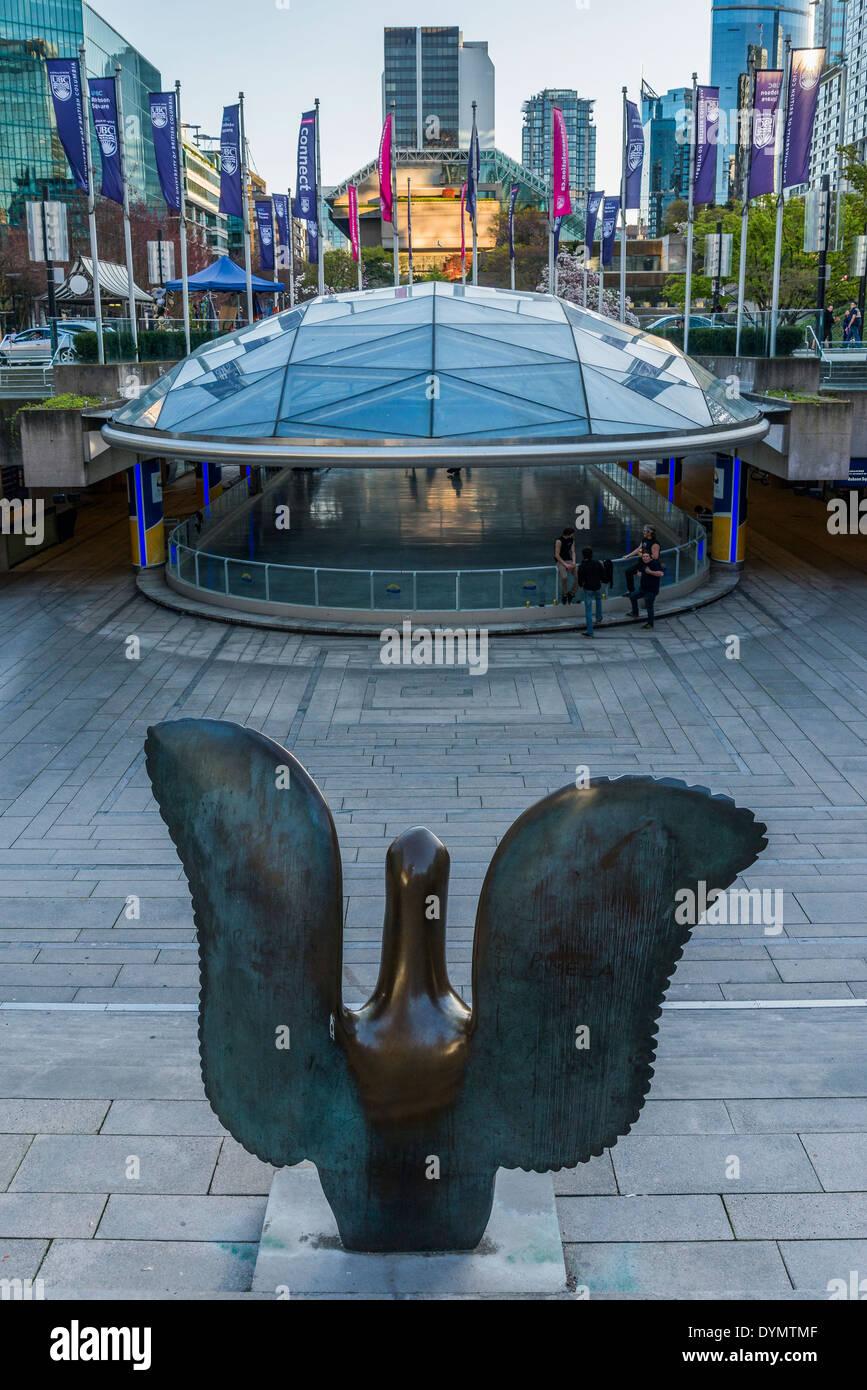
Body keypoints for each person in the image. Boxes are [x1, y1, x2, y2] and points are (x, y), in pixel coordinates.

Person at [629, 549, 666, 629]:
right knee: (632, 596)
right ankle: (635, 612)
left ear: (650, 557)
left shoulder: (655, 564)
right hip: (643, 589)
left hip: (651, 590)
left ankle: (650, 624)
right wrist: (641, 574)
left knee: (649, 606)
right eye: (644, 557)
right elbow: (644, 573)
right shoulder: (643, 564)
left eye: (647, 556)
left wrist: (650, 572)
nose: (645, 558)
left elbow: (661, 574)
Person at [621, 525, 660, 596]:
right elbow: (639, 549)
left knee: (645, 579)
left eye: (645, 531)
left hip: (649, 564)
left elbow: (656, 557)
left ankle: (647, 595)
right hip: (641, 563)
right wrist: (628, 555)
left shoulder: (655, 544)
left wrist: (643, 555)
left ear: (649, 533)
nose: (643, 532)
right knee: (628, 572)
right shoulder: (644, 539)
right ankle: (631, 591)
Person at [577, 546, 605, 637]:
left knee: (588, 610)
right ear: (592, 555)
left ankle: (590, 631)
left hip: (588, 588)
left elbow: (580, 578)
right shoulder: (597, 563)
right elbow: (602, 573)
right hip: (597, 586)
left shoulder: (582, 566)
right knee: (598, 600)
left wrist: (581, 585)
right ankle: (599, 618)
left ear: (583, 555)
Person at [555, 526, 578, 604]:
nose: (573, 535)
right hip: (561, 561)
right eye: (572, 534)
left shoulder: (571, 540)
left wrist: (574, 562)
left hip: (569, 560)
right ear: (569, 534)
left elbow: (573, 551)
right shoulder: (559, 541)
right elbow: (557, 555)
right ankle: (564, 594)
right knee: (564, 577)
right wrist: (565, 564)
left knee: (579, 575)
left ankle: (571, 593)